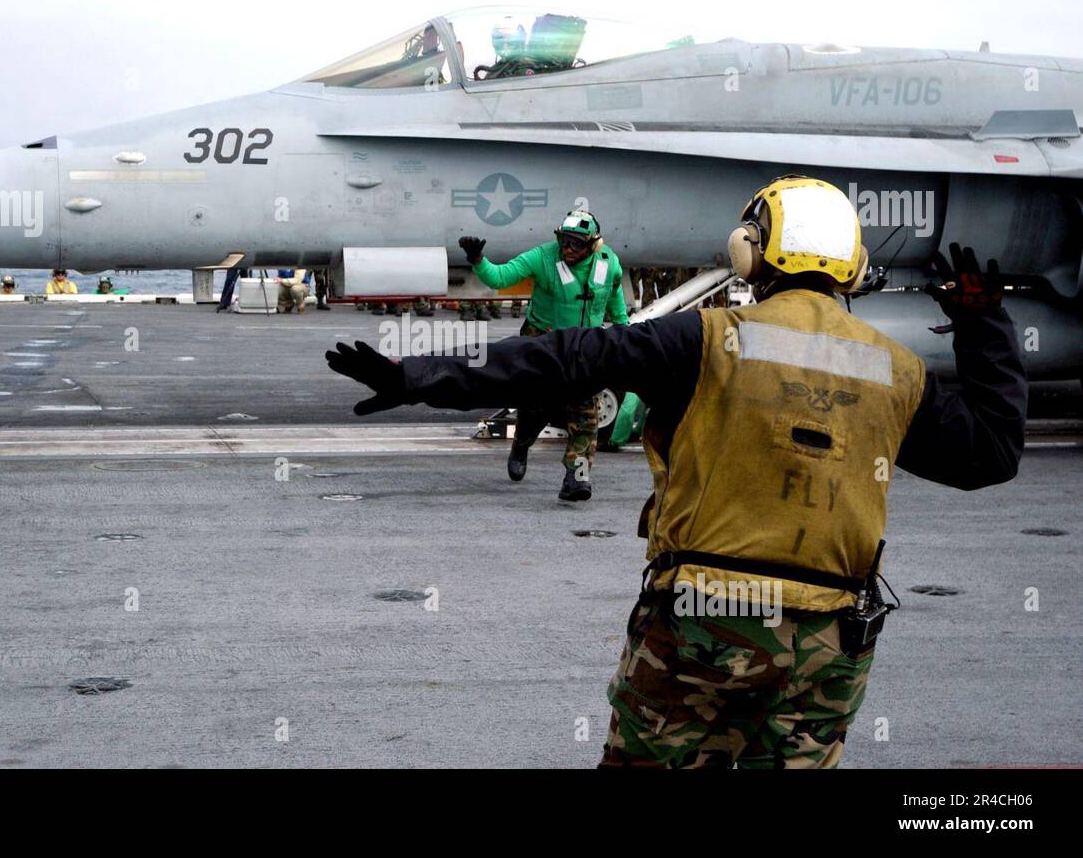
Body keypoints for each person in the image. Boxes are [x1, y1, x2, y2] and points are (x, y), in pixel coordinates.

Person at [326, 175, 1027, 768]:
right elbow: (991, 454)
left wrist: (419, 375)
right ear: (852, 263)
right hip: (831, 644)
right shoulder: (896, 371)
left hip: (704, 622)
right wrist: (984, 327)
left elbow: (565, 358)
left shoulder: (707, 339)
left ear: (750, 250)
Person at [458, 209, 629, 501]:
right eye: (564, 241)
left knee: (585, 414)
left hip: (584, 348)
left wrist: (625, 339)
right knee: (537, 407)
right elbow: (500, 278)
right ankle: (521, 445)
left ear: (593, 245)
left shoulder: (608, 263)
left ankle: (576, 479)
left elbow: (617, 308)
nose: (568, 249)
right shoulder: (543, 257)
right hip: (543, 342)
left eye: (576, 243)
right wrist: (477, 260)